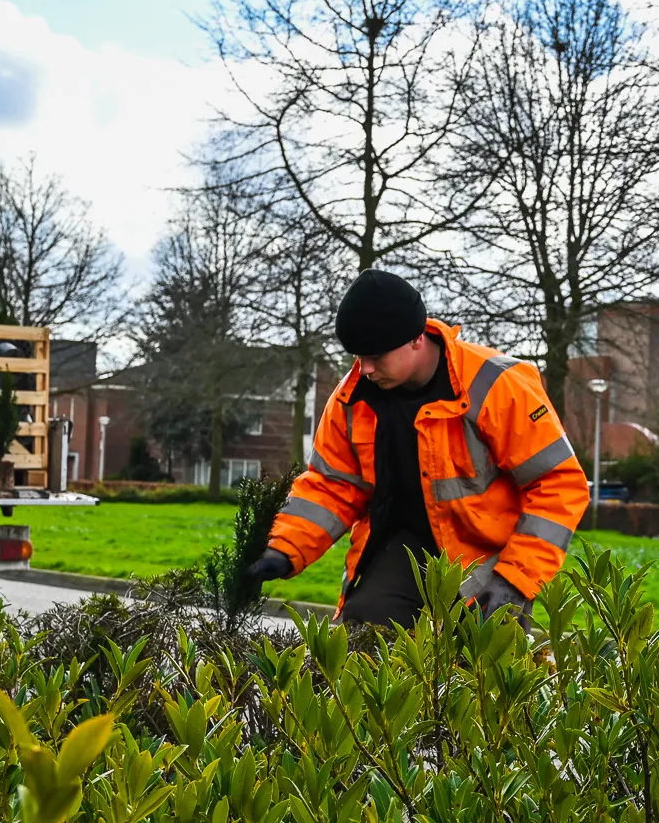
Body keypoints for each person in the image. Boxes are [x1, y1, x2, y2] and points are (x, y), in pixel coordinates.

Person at [248, 270, 589, 632]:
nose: (365, 369)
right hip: (399, 553)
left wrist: (515, 578)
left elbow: (559, 485)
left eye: (376, 356)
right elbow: (331, 486)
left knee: (482, 678)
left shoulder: (497, 386)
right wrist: (282, 550)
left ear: (415, 339)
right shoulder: (352, 401)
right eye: (359, 356)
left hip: (488, 563)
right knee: (361, 648)